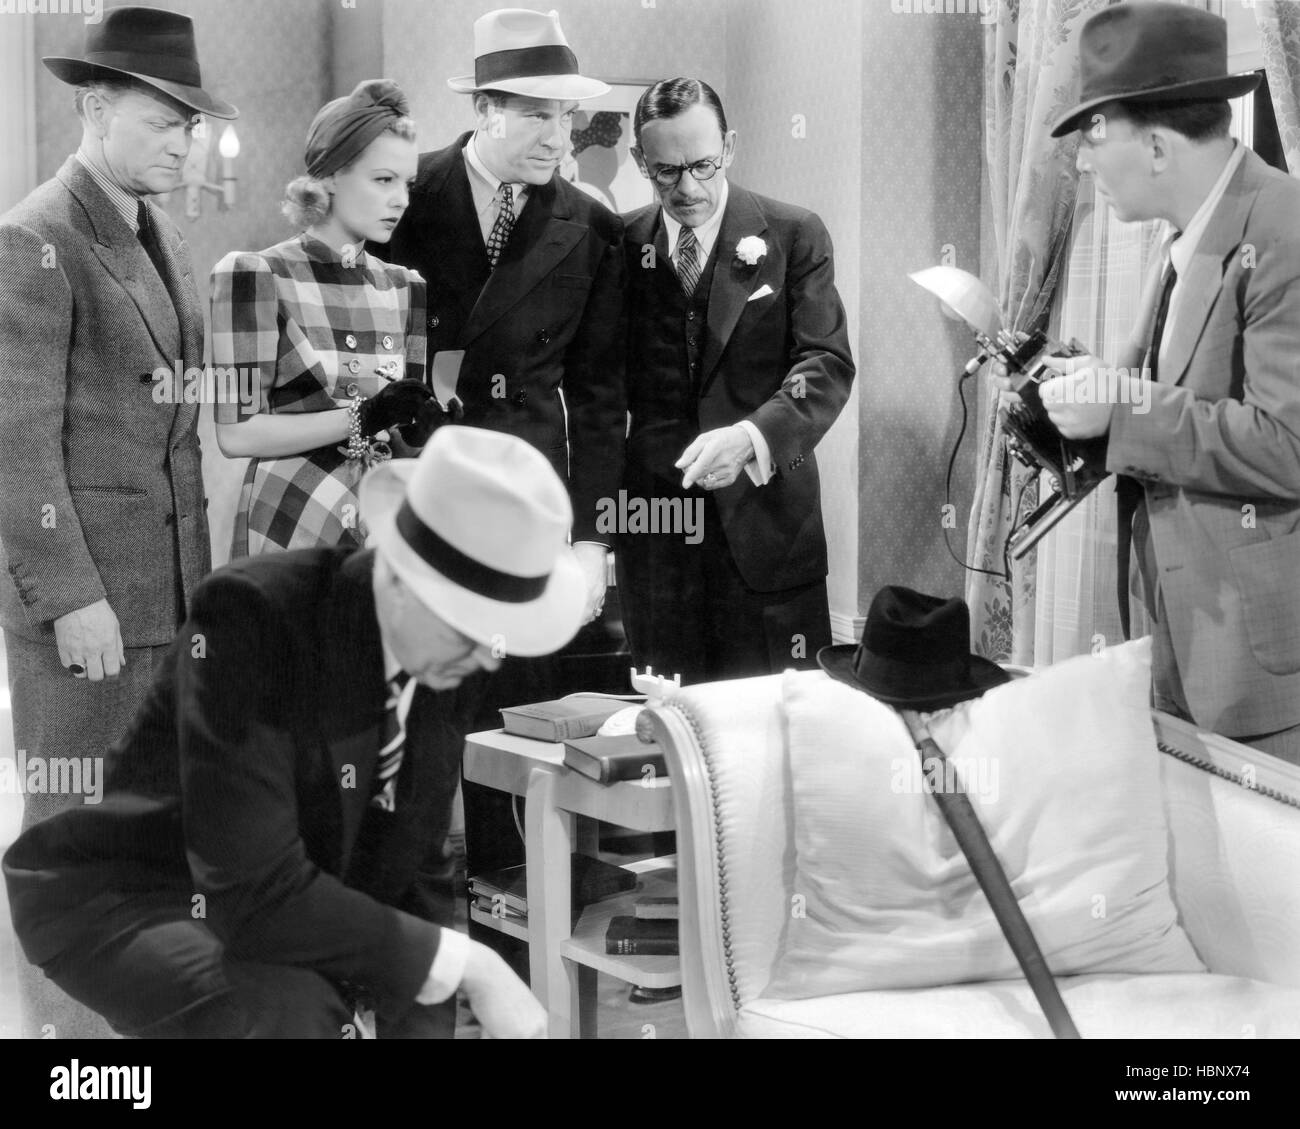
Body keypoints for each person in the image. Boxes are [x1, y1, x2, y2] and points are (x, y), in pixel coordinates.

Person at [2, 426, 584, 1038]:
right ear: (401, 578)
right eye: (473, 628)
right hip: (135, 894)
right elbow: (252, 890)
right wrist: (473, 964)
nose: (489, 658)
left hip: (287, 900)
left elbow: (417, 871)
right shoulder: (251, 619)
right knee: (294, 1018)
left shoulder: (452, 655)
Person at [0, 6, 237, 1037]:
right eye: (163, 121)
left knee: (151, 830)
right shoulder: (37, 237)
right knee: (70, 834)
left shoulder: (163, 235)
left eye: (191, 124)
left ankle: (140, 1024)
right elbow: (15, 445)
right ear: (96, 109)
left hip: (171, 594)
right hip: (90, 608)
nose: (184, 143)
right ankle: (62, 1038)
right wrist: (72, 599)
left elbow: (175, 434)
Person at [1001, 3, 1300, 763]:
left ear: (1159, 146)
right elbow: (1165, 413)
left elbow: (1287, 444)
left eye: (1097, 140)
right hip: (1174, 646)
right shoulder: (1183, 238)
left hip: (1262, 676)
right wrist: (1073, 400)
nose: (1086, 164)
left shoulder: (1282, 230)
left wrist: (1121, 404)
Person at [378, 7, 625, 624]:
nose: (558, 139)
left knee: (520, 709)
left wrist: (593, 544)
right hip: (420, 490)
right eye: (538, 115)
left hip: (530, 501)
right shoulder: (400, 200)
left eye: (566, 118)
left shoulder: (593, 227)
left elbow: (599, 399)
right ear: (485, 111)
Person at [619, 77, 855, 685]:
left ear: (729, 146)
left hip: (770, 538)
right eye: (666, 172)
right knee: (665, 742)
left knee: (781, 747)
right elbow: (598, 391)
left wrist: (752, 438)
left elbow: (825, 364)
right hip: (657, 546)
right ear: (639, 159)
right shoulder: (618, 245)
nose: (688, 188)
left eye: (701, 165)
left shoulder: (794, 233)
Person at [212, 79, 437, 560]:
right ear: (331, 175)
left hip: (382, 522)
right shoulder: (256, 275)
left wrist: (423, 428)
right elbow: (236, 433)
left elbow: (399, 433)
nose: (402, 200)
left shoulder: (405, 287)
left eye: (407, 183)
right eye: (383, 180)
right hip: (294, 515)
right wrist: (361, 417)